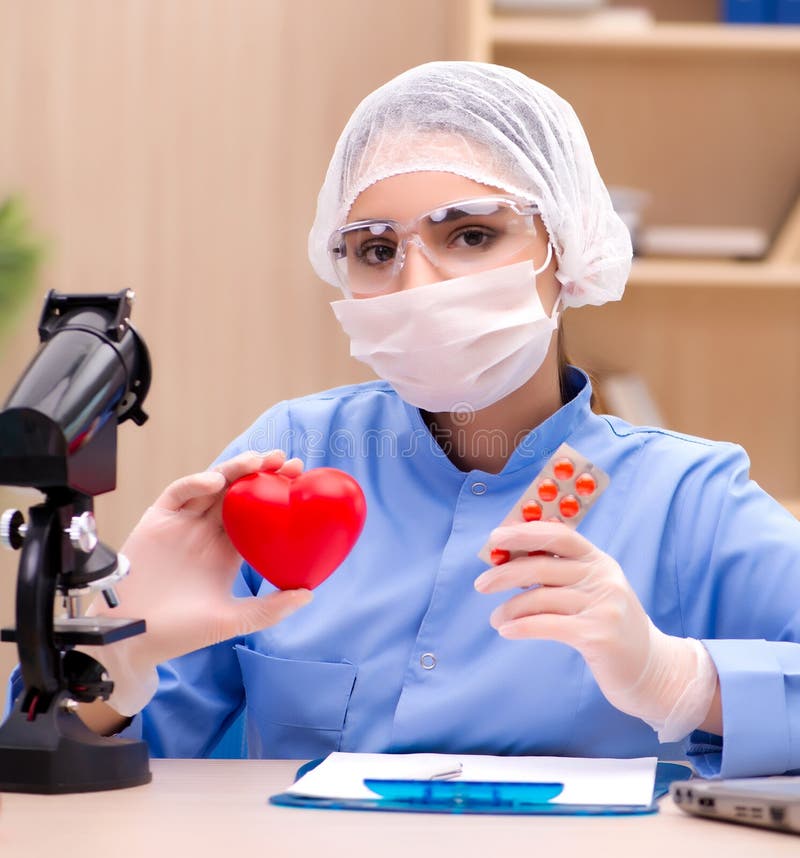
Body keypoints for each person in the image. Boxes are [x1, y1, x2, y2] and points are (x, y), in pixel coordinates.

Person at [7, 62, 800, 777]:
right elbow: (51, 768)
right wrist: (118, 659)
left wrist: (683, 679)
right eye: (376, 249)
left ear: (569, 248)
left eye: (473, 234)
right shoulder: (287, 460)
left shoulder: (685, 498)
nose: (417, 283)